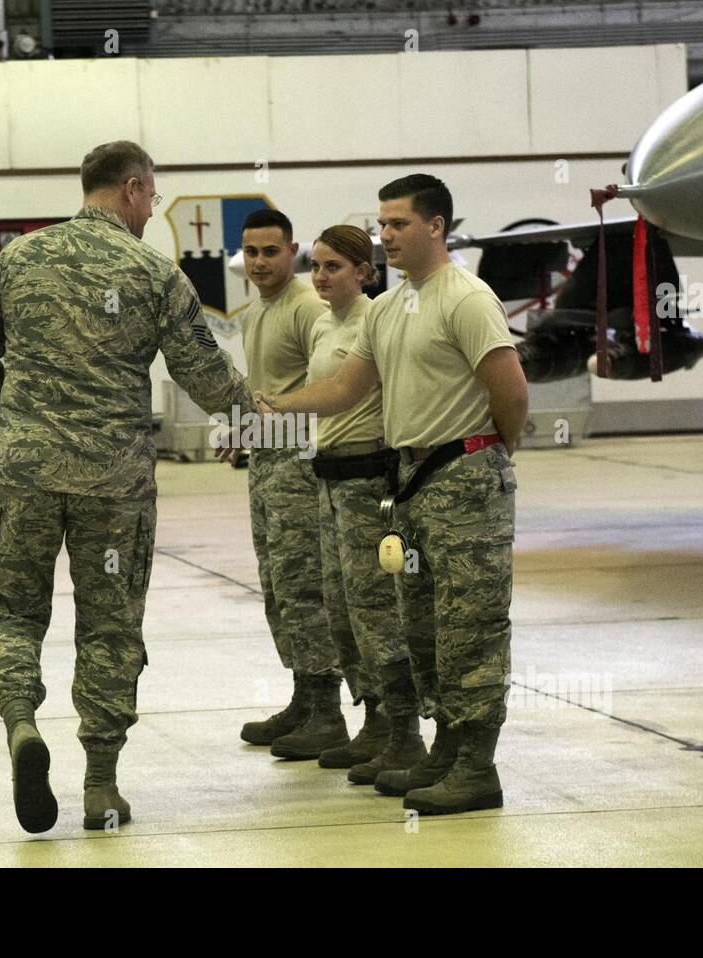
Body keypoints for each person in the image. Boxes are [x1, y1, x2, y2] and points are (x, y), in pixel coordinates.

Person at [0, 140, 252, 833]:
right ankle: (101, 785)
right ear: (133, 187)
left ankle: (22, 723)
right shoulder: (154, 271)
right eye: (153, 195)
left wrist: (24, 417)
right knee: (111, 627)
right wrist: (272, 425)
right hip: (114, 479)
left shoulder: (16, 259)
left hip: (22, 469)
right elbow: (206, 379)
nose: (152, 208)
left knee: (9, 611)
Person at [256, 174, 528, 815]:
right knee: (425, 624)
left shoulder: (465, 297)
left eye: (399, 224)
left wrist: (488, 454)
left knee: (472, 626)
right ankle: (445, 749)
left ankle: (477, 767)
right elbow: (349, 387)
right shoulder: (394, 306)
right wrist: (275, 405)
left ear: (436, 226)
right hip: (410, 481)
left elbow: (510, 391)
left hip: (463, 474)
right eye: (382, 224)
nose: (386, 236)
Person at [234, 209, 373, 759]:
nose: (261, 262)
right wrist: (246, 429)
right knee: (278, 586)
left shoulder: (308, 311)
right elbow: (266, 391)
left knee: (305, 588)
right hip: (267, 460)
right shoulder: (254, 312)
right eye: (251, 252)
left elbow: (324, 395)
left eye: (271, 252)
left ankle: (327, 710)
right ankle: (304, 695)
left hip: (298, 464)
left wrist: (265, 425)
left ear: (290, 251)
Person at [305, 225, 429, 781]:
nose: (322, 276)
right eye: (317, 266)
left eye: (335, 266)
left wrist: (264, 407)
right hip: (331, 478)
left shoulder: (372, 320)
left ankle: (406, 733)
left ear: (365, 272)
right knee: (344, 609)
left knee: (379, 610)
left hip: (366, 479)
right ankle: (376, 719)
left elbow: (342, 395)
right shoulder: (324, 324)